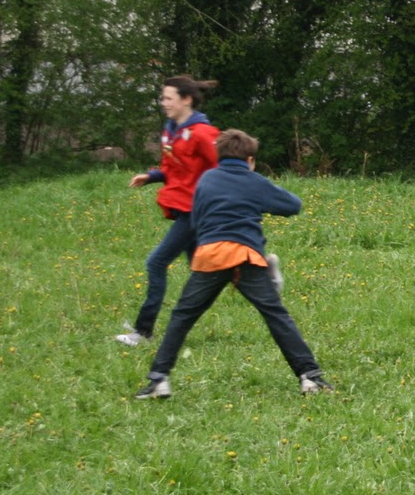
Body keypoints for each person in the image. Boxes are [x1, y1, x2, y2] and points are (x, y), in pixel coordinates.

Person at [133, 130, 333, 399]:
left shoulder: (206, 179)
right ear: (250, 159)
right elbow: (293, 205)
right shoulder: (253, 180)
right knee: (275, 315)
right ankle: (310, 377)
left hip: (209, 255)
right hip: (244, 255)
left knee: (182, 317)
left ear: (219, 156)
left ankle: (159, 379)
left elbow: (198, 216)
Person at [116, 76, 220, 347]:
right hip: (182, 205)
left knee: (156, 262)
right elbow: (177, 167)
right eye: (163, 98)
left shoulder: (203, 133)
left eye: (168, 98)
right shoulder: (171, 129)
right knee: (203, 268)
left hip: (197, 210)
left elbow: (226, 166)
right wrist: (152, 176)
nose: (164, 103)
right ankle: (261, 274)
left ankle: (143, 331)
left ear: (186, 100)